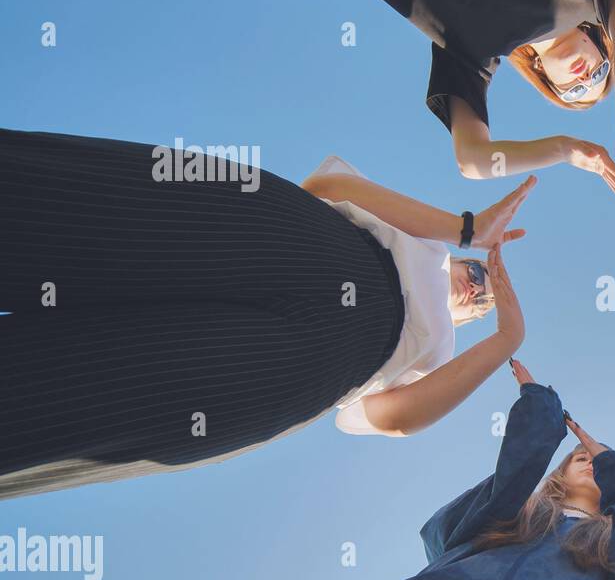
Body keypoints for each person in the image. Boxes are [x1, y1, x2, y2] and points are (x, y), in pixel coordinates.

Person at [0, 129, 530, 499]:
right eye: (478, 273)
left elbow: (392, 419)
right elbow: (329, 190)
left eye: (483, 300)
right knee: (82, 212)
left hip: (300, 368)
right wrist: (465, 228)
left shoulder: (435, 355)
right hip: (295, 240)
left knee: (85, 398)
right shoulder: (422, 243)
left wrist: (505, 340)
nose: (475, 289)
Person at [304, 0, 615, 247]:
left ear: (545, 78)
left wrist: (566, 149)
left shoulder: (473, 54)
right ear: (597, 38)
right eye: (600, 74)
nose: (585, 77)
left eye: (575, 90)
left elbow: (472, 159)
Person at [304, 360, 615, 580]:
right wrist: (538, 424)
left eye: (599, 458)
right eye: (581, 454)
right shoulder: (515, 506)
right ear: (558, 469)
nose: (590, 459)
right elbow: (442, 534)